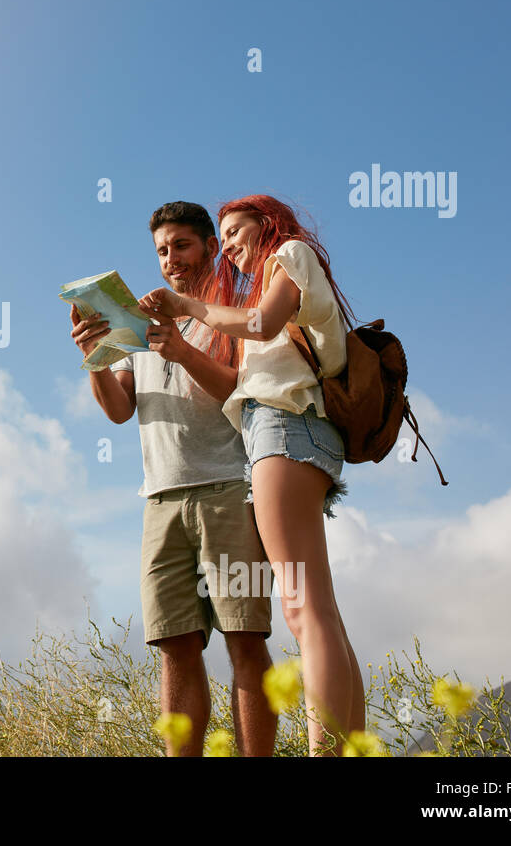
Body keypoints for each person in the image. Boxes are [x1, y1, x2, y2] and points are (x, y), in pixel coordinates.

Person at [137, 194, 365, 755]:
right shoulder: (269, 278)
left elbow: (260, 326)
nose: (233, 244)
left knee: (302, 609)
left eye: (237, 232)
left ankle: (328, 750)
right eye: (227, 234)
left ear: (267, 226)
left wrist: (188, 310)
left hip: (285, 431)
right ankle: (350, 747)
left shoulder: (287, 256)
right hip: (287, 432)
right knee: (317, 610)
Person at [70, 201, 277, 757]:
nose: (171, 260)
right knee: (174, 648)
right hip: (159, 501)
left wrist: (183, 350)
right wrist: (94, 354)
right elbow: (118, 408)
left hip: (229, 491)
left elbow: (240, 392)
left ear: (210, 246)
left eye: (182, 245)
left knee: (244, 640)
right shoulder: (135, 327)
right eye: (162, 251)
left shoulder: (232, 311)